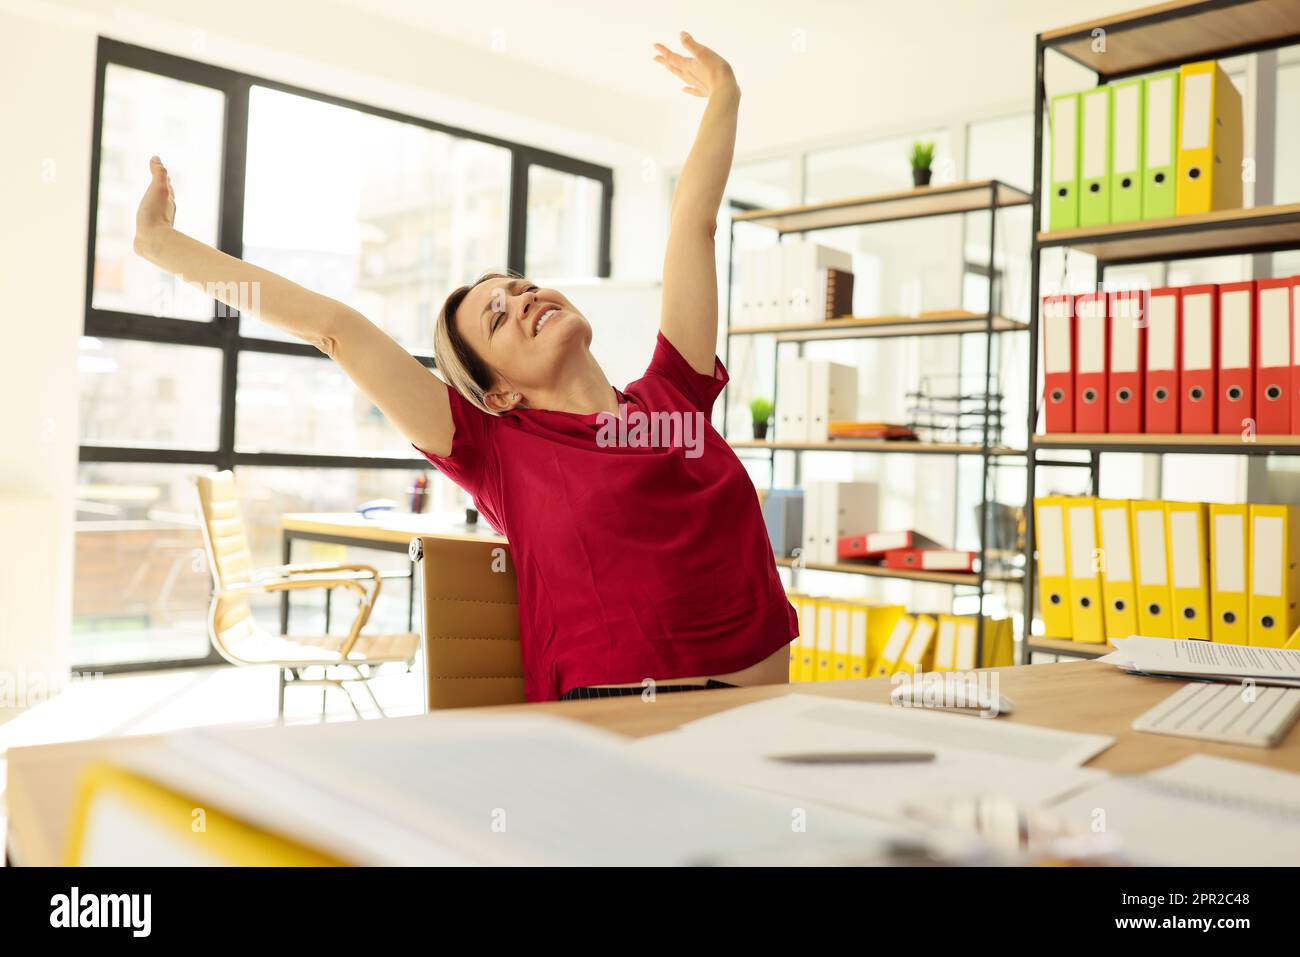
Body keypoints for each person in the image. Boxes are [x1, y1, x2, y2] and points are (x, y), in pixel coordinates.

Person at [133, 32, 796, 701]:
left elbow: (693, 226)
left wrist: (725, 94)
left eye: (521, 287)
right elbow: (336, 330)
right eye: (497, 316)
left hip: (761, 719)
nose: (525, 298)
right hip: (625, 728)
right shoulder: (496, 448)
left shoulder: (671, 399)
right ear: (498, 390)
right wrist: (165, 247)